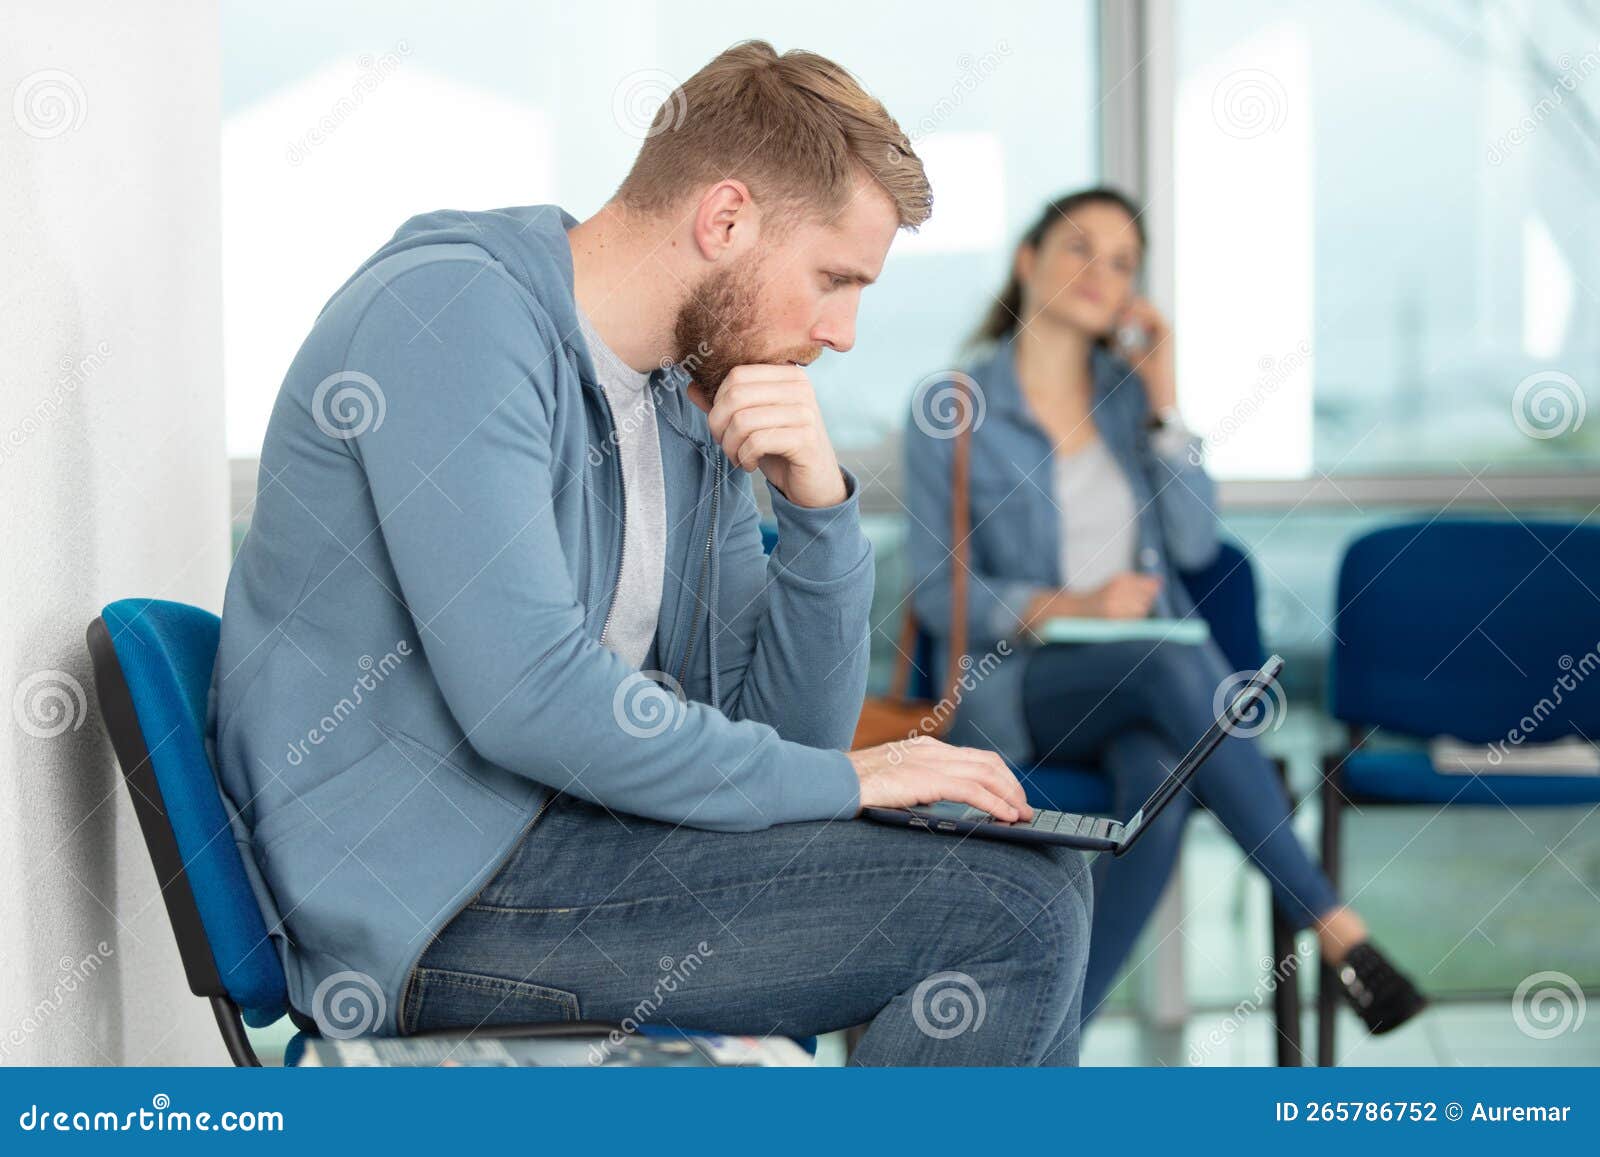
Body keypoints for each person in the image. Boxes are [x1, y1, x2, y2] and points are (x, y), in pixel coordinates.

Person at [211, 41, 1094, 1066]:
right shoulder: (451, 314)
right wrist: (854, 780)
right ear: (724, 220)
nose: (843, 329)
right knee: (1004, 911)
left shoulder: (684, 401)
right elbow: (530, 696)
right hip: (429, 901)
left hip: (575, 851)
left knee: (1040, 875)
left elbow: (781, 738)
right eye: (832, 278)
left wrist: (817, 512)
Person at [901, 187, 1426, 1035]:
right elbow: (939, 589)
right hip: (1024, 686)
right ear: (1028, 261)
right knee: (1173, 664)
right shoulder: (953, 407)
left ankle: (1050, 1039)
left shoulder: (1123, 399)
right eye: (1078, 248)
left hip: (1143, 694)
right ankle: (1338, 929)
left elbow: (1191, 543)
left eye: (1120, 263)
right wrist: (1077, 603)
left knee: (1161, 775)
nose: (1098, 273)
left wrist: (1163, 401)